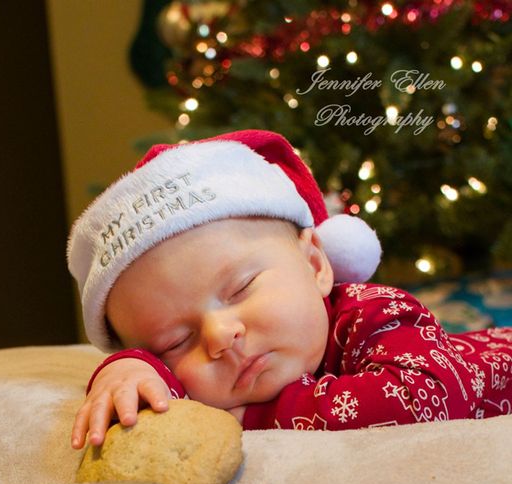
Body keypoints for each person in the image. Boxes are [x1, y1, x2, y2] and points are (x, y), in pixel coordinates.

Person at [67, 129, 512, 448]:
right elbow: (159, 391)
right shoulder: (203, 373)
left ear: (316, 263)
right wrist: (128, 370)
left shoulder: (376, 314)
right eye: (175, 340)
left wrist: (255, 418)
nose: (221, 336)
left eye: (241, 288)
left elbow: (426, 400)